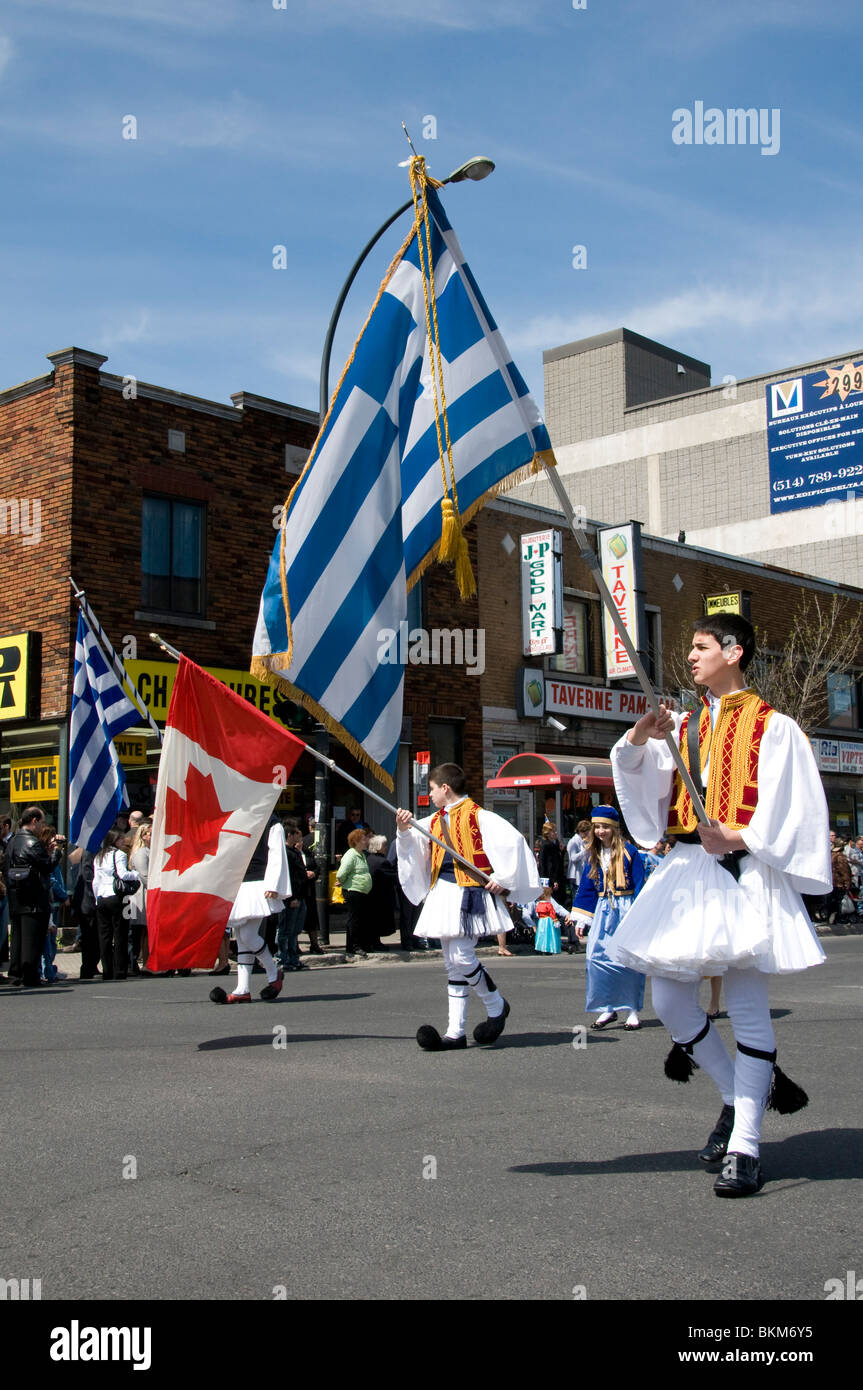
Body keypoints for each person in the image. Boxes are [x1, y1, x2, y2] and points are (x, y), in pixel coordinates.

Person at [609, 613, 830, 1198]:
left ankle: (747, 1147)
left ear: (733, 652)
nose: (691, 657)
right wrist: (638, 737)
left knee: (747, 1003)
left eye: (701, 647)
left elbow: (795, 802)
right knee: (668, 997)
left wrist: (739, 837)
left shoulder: (774, 727)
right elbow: (636, 777)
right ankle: (737, 1094)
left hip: (744, 872)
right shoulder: (680, 727)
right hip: (686, 871)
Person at [396, 762, 540, 1051]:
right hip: (444, 893)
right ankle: (455, 1032)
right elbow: (411, 840)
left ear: (445, 788)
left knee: (462, 957)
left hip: (468, 892)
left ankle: (496, 1004)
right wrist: (402, 828)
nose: (431, 795)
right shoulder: (434, 821)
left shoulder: (479, 816)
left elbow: (512, 842)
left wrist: (504, 878)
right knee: (451, 963)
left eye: (433, 789)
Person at [570, 806, 647, 1030]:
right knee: (596, 957)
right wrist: (581, 919)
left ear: (614, 828)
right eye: (597, 827)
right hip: (603, 908)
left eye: (605, 827)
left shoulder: (631, 852)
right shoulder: (592, 855)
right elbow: (587, 887)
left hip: (626, 907)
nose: (601, 831)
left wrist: (639, 916)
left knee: (627, 959)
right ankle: (607, 1008)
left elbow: (641, 884)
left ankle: (632, 1009)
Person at [210, 814, 290, 1004]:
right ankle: (243, 988)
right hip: (238, 882)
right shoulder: (238, 816)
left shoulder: (272, 821)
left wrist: (273, 884)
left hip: (258, 882)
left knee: (247, 936)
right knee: (243, 937)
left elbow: (277, 853)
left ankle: (272, 973)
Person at [5, 806, 64, 988]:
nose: (42, 826)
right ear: (34, 821)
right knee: (32, 940)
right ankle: (30, 976)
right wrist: (57, 851)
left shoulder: (12, 841)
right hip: (34, 899)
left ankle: (16, 975)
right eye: (42, 821)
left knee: (17, 939)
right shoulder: (33, 843)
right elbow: (47, 866)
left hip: (16, 896)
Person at [93, 829, 141, 981]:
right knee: (120, 933)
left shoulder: (99, 856)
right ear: (115, 840)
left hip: (101, 897)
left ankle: (107, 969)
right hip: (116, 896)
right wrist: (137, 874)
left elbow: (95, 880)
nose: (123, 842)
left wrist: (96, 898)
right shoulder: (119, 854)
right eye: (121, 839)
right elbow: (122, 874)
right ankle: (119, 969)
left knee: (104, 935)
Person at [277, 819, 310, 973]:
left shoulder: (296, 852)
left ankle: (293, 958)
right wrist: (291, 898)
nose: (299, 835)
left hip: (301, 896)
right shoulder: (285, 853)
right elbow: (288, 877)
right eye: (296, 832)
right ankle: (284, 958)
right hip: (291, 898)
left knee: (295, 930)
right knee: (286, 930)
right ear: (289, 835)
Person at [337, 827, 374, 958]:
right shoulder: (351, 854)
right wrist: (342, 881)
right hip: (353, 891)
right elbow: (341, 873)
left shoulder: (362, 855)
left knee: (360, 918)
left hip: (362, 891)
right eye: (364, 839)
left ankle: (359, 944)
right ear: (357, 841)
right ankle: (353, 946)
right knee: (354, 919)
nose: (367, 841)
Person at [127, 820, 152, 976]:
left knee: (146, 931)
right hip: (141, 896)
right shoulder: (141, 853)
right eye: (149, 833)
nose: (151, 835)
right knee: (140, 931)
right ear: (142, 836)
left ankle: (145, 961)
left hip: (147, 894)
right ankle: (137, 960)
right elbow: (144, 876)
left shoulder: (150, 851)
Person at [366, 833, 397, 951]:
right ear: (378, 847)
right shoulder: (382, 862)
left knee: (374, 920)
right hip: (380, 896)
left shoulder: (369, 859)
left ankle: (373, 941)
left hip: (372, 895)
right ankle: (375, 942)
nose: (386, 848)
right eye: (384, 846)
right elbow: (392, 877)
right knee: (378, 921)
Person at [538, 823, 566, 899]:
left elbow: (558, 862)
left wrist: (562, 851)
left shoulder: (554, 844)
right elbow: (547, 865)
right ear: (547, 834)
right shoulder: (546, 845)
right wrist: (553, 880)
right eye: (553, 831)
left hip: (557, 877)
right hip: (551, 879)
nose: (555, 833)